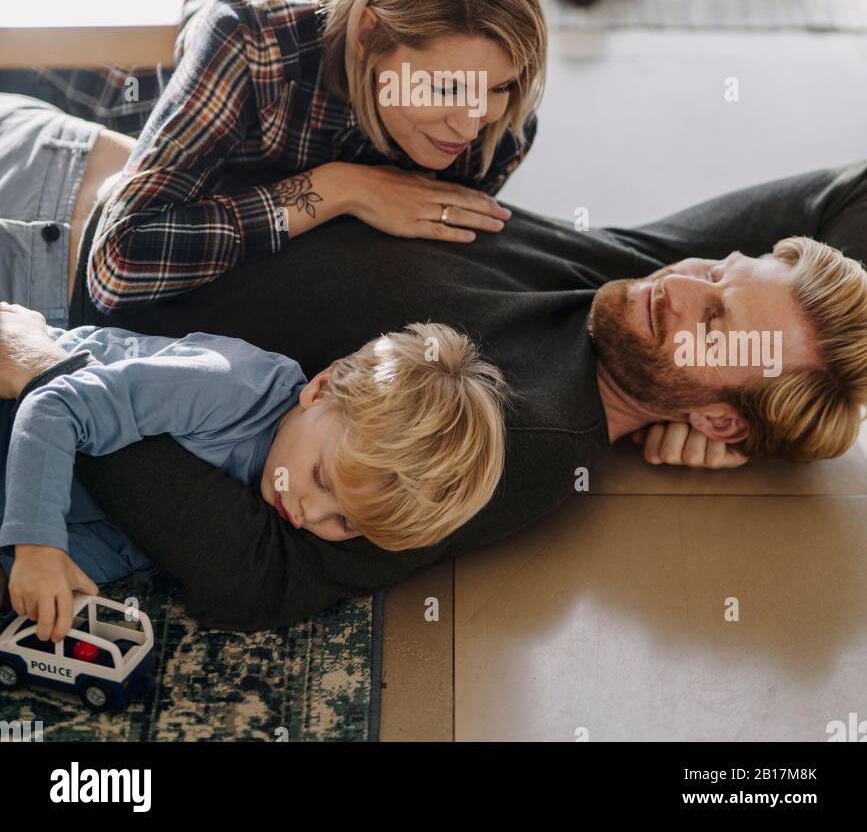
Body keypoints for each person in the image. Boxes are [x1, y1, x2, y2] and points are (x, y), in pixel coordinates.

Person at [7, 155, 866, 632]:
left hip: (46, 273)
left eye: (712, 328)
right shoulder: (635, 288)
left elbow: (261, 576)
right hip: (121, 160)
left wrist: (52, 372)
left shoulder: (516, 442)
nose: (680, 285)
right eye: (717, 269)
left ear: (717, 417)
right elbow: (845, 193)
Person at [85, 0, 548, 310]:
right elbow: (117, 264)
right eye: (446, 89)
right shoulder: (251, 42)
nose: (469, 126)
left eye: (497, 87)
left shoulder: (501, 130)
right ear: (368, 36)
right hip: (83, 81)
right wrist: (340, 187)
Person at [0, 314, 507, 640]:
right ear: (322, 388)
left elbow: (124, 536)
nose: (309, 513)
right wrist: (38, 547)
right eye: (323, 481)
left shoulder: (271, 490)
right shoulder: (227, 385)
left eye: (345, 524)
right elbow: (52, 402)